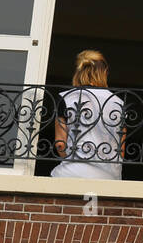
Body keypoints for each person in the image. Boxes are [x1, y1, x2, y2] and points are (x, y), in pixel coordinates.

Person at [52, 50, 125, 180]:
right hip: (108, 176)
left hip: (71, 172)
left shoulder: (66, 98)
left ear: (78, 72)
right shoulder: (118, 103)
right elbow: (121, 149)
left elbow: (60, 144)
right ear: (104, 72)